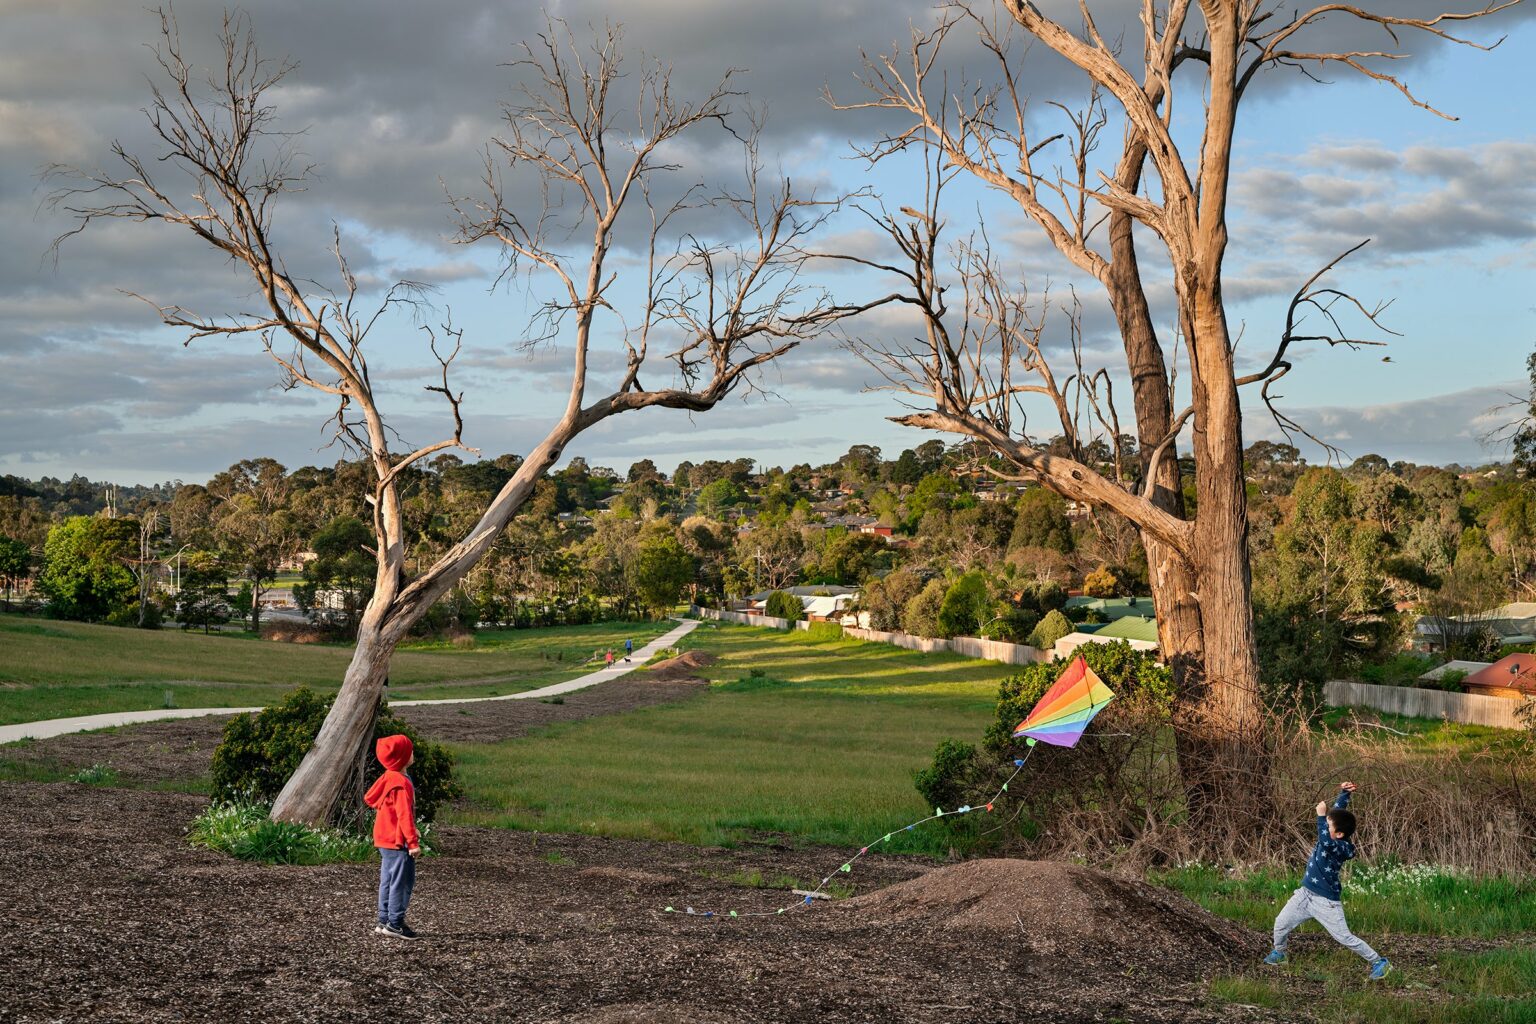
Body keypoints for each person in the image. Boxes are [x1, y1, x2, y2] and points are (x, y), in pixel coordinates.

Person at [1264, 782, 1389, 979]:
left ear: (1339, 834)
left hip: (1326, 902)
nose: (1325, 826)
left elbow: (1325, 840)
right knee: (1280, 923)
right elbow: (1338, 813)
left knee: (1344, 937)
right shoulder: (1331, 834)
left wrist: (1321, 817)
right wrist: (1344, 794)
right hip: (1305, 894)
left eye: (1328, 826)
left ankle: (1379, 962)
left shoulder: (1340, 848)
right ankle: (1280, 953)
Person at [365, 734, 421, 940]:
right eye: (409, 751)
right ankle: (395, 924)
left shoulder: (388, 776)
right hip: (397, 842)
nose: (413, 753)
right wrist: (412, 842)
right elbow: (403, 813)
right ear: (402, 758)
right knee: (402, 882)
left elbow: (392, 812)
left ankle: (384, 920)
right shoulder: (401, 782)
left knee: (387, 880)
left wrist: (412, 830)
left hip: (385, 838)